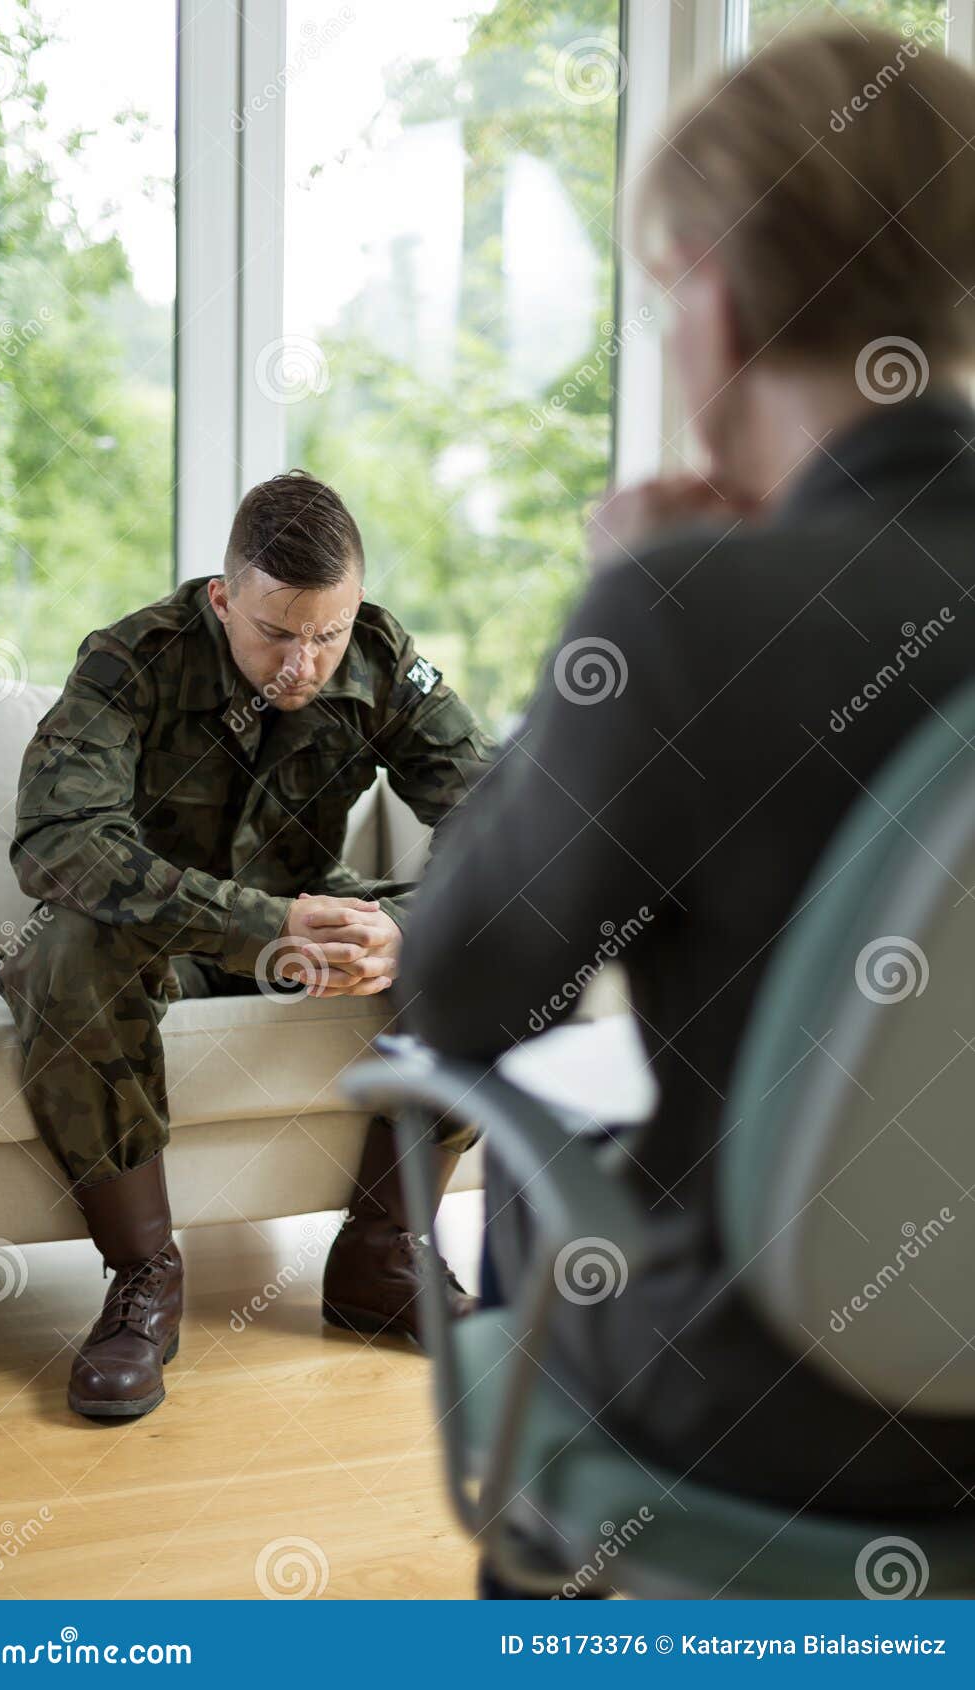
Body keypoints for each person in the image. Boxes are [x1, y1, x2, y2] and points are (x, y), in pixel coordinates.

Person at [399, 23, 975, 1522]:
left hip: (783, 1412)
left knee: (539, 1176)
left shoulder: (687, 614)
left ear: (708, 302)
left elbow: (462, 991)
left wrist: (612, 618)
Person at [0, 470, 493, 1419]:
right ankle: (144, 1283)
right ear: (223, 598)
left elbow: (511, 821)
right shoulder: (130, 658)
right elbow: (56, 843)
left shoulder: (384, 658)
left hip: (308, 928)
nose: (302, 664)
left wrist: (409, 930)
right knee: (68, 947)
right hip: (166, 939)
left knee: (499, 935)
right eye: (275, 632)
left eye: (326, 634)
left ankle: (383, 1264)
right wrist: (261, 923)